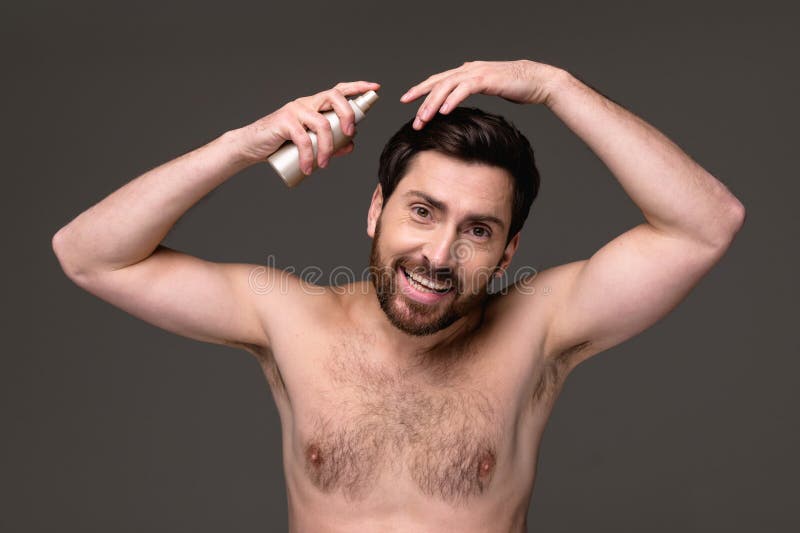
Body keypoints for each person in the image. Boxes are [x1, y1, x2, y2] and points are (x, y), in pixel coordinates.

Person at [52, 60, 745, 532]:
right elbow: (89, 255)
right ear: (376, 209)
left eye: (477, 229)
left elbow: (705, 224)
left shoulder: (544, 328)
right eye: (422, 211)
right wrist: (241, 146)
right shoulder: (289, 317)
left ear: (509, 251)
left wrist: (556, 86)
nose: (439, 254)